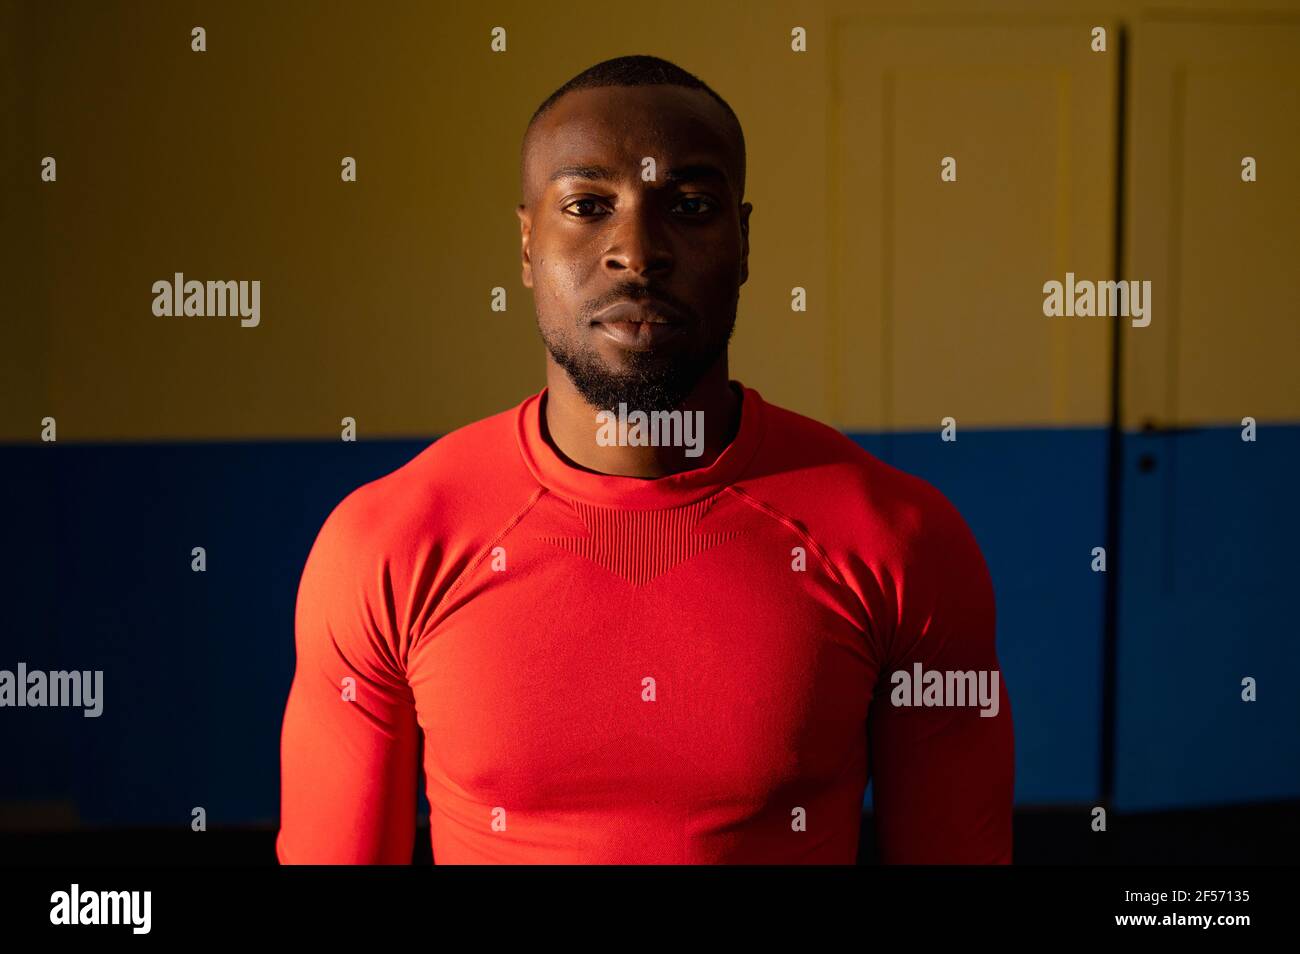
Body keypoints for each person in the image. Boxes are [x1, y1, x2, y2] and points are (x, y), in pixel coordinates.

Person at [276, 54, 1013, 864]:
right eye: (588, 205)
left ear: (742, 240)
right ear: (528, 246)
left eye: (690, 206)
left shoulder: (902, 541)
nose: (637, 250)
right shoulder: (387, 544)